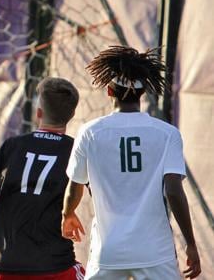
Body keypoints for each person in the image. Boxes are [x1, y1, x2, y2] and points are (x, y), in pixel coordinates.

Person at [62, 46, 201, 280]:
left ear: (109, 91)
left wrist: (68, 213)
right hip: (155, 251)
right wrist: (191, 243)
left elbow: (75, 185)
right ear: (144, 91)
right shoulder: (167, 134)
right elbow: (174, 191)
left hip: (108, 251)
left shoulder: (89, 132)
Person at [0, 77, 85, 280]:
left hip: (6, 266)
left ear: (38, 113)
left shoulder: (12, 146)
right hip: (54, 266)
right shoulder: (76, 150)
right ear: (72, 115)